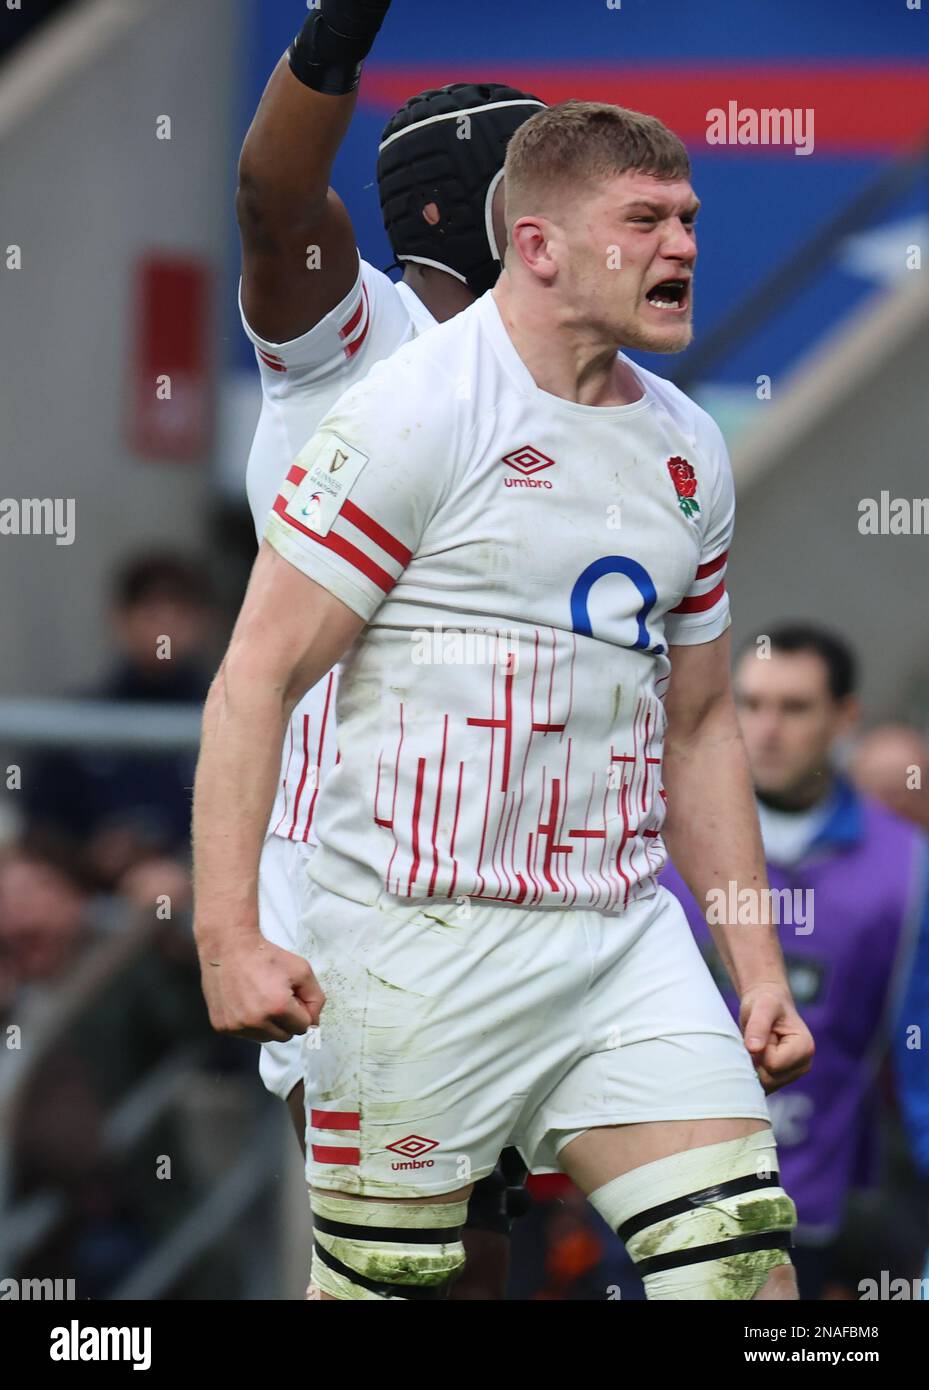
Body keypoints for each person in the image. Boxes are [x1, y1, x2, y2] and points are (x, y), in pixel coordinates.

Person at [195, 99, 813, 1302]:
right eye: (644, 220)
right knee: (411, 1284)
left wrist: (754, 963)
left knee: (740, 1271)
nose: (682, 244)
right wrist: (225, 936)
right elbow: (253, 678)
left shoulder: (689, 449)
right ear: (534, 246)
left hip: (617, 941)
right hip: (416, 942)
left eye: (686, 217)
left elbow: (694, 726)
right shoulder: (408, 407)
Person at [236, 0, 545, 1290]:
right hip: (352, 875)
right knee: (398, 1264)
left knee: (556, 1245)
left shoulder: (580, 378)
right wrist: (330, 43)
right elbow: (269, 191)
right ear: (473, 216)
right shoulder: (355, 343)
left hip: (536, 875)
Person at [661, 625, 929, 1297]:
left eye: (794, 707)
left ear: (845, 717)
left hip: (807, 1212)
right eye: (749, 704)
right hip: (652, 1197)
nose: (768, 729)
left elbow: (920, 1067)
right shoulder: (658, 846)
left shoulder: (909, 869)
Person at [23, 552, 217, 887]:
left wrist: (183, 865)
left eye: (178, 612)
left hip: (197, 909)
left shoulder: (231, 720)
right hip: (86, 916)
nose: (164, 628)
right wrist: (88, 857)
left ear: (201, 623)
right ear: (120, 620)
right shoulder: (74, 724)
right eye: (150, 611)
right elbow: (39, 830)